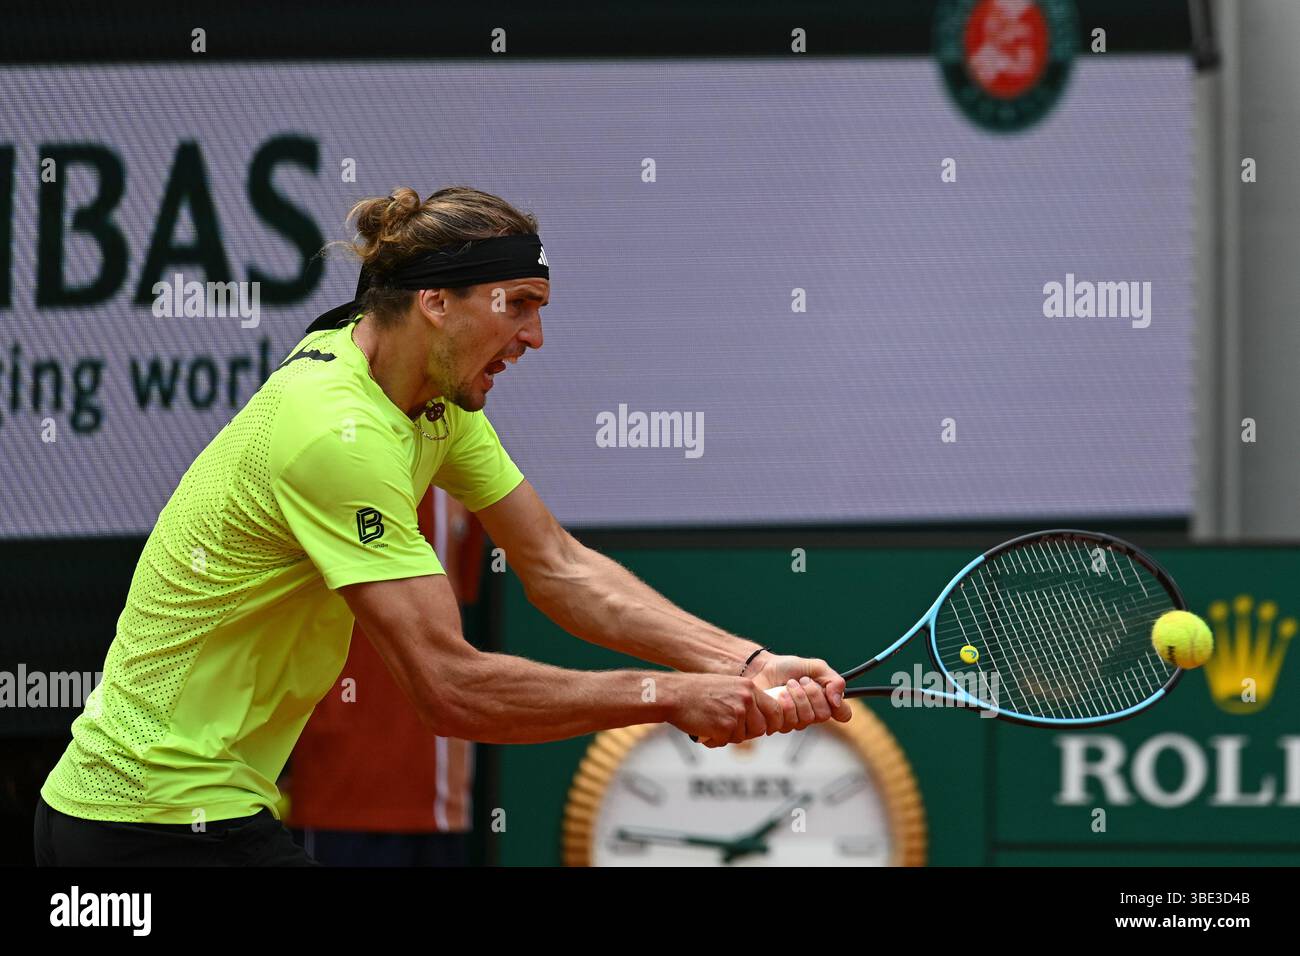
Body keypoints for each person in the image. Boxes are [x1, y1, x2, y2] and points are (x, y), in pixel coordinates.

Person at [34, 186, 851, 867]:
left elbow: (558, 566)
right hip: (147, 820)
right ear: (434, 302)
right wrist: (671, 697)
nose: (535, 337)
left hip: (184, 809)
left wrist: (744, 662)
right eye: (518, 306)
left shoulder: (424, 393)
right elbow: (449, 687)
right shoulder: (335, 431)